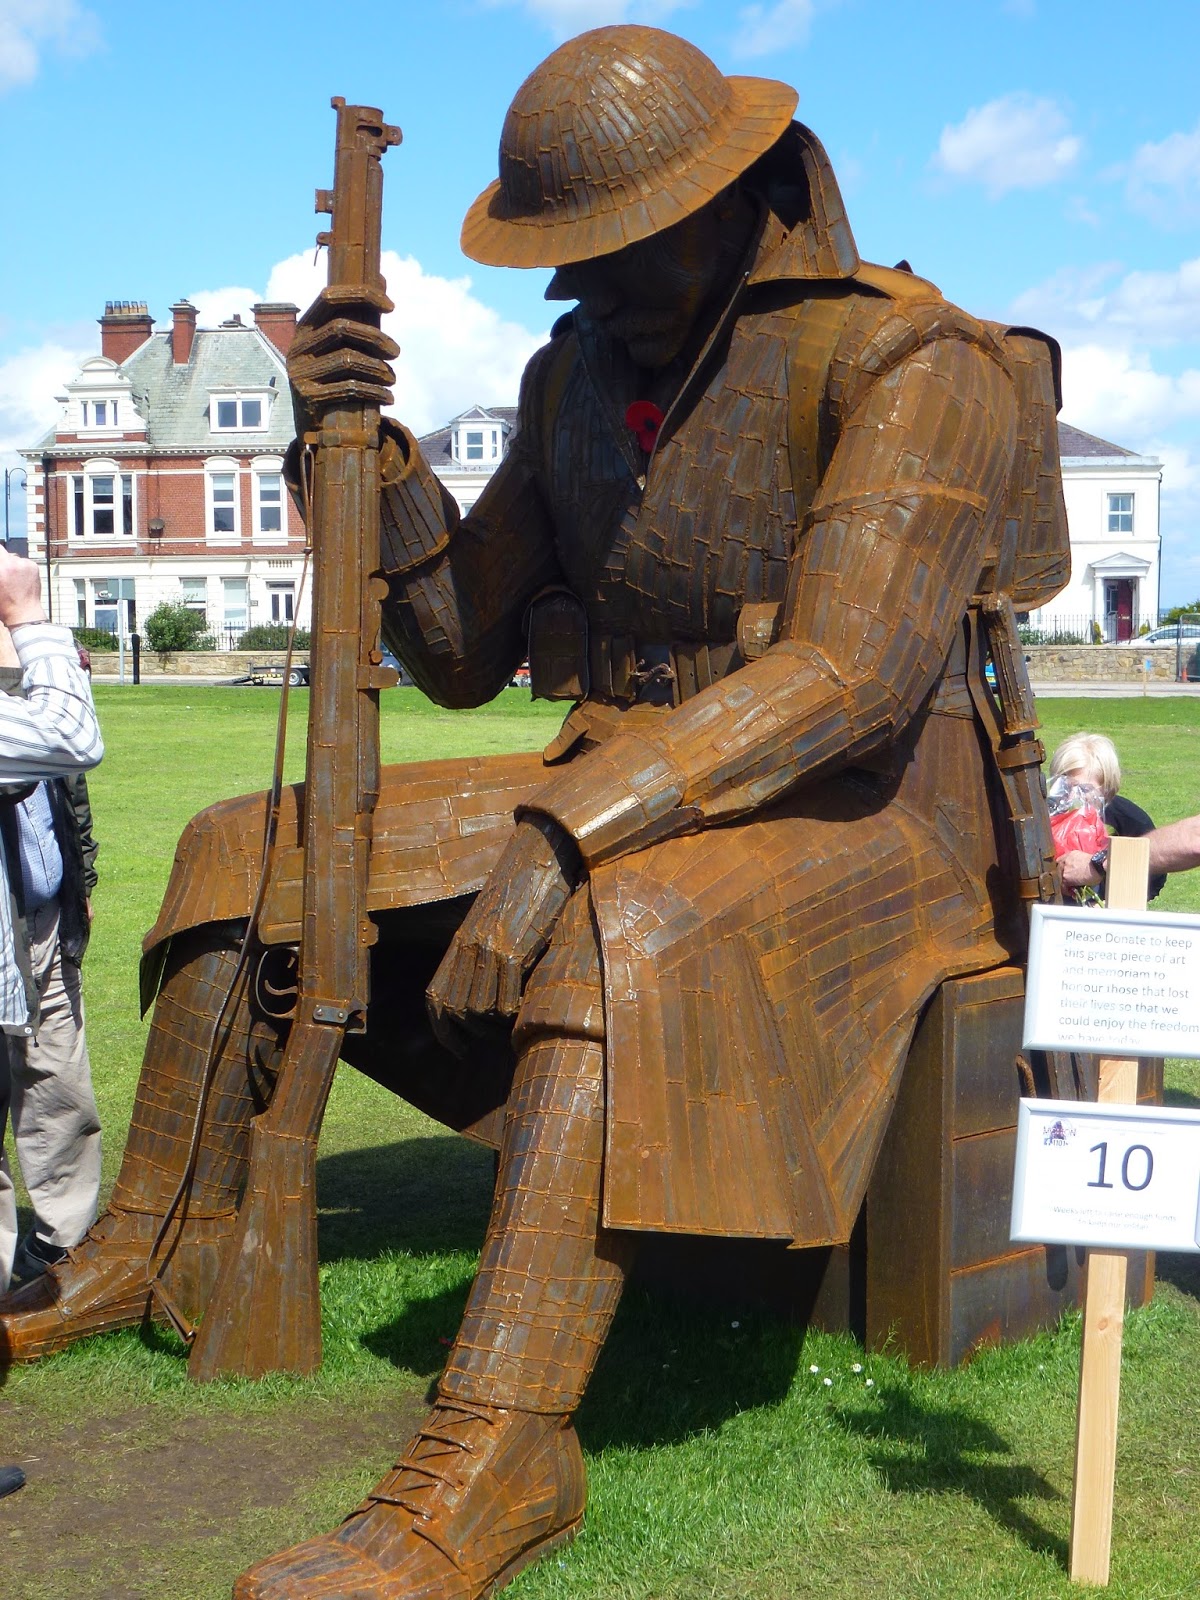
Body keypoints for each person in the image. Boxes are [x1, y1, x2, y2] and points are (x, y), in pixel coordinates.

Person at [0, 27, 1071, 1600]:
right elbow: (457, 648)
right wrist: (363, 454)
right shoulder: (573, 379)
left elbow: (849, 678)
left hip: (881, 817)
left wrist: (570, 834)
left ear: (723, 203)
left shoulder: (914, 360)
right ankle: (152, 1242)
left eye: (617, 248)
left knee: (620, 926)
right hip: (639, 771)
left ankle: (504, 1441)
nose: (583, 286)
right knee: (247, 845)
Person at [0, 550, 103, 1299]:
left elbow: (67, 800)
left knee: (60, 1090)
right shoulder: (30, 709)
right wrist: (30, 613)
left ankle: (61, 1243)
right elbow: (72, 736)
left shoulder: (21, 698)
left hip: (42, 924)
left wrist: (78, 885)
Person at [1052, 732, 1166, 901]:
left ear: (1107, 790)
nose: (1071, 797)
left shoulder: (1130, 822)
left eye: (1084, 790)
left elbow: (1155, 877)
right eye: (1064, 787)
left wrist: (1108, 898)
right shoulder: (1046, 818)